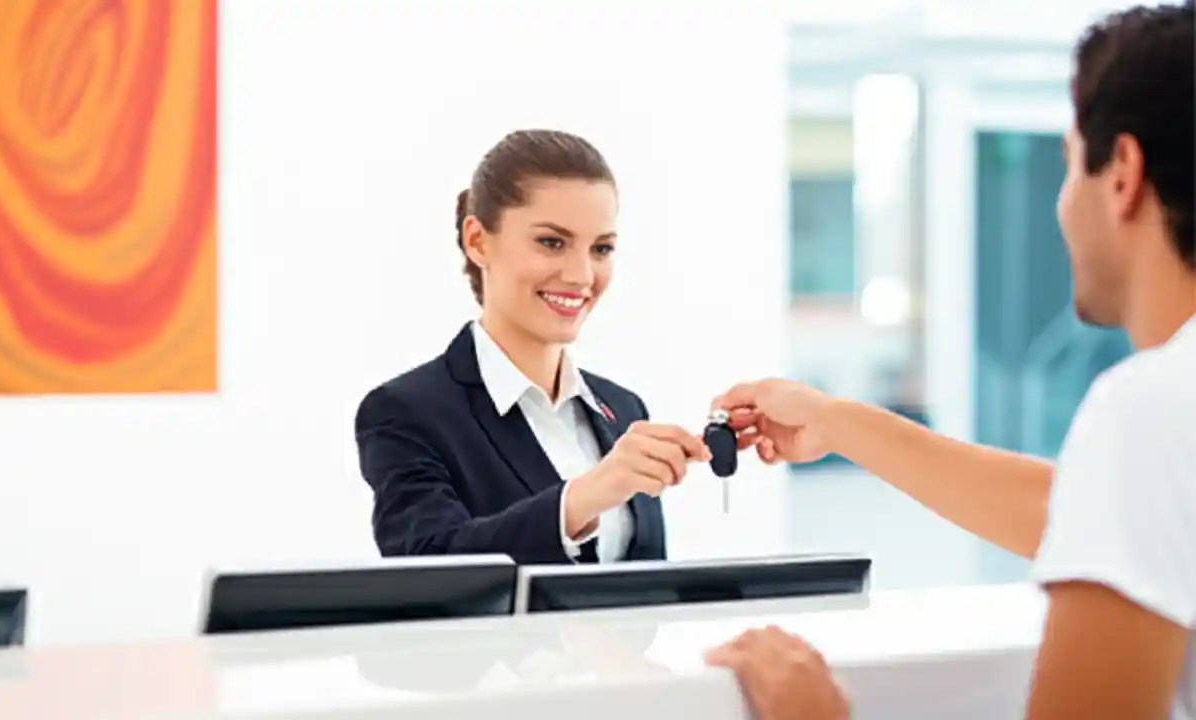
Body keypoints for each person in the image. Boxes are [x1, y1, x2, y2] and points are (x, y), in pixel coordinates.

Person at [705, 2, 1195, 718]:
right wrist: (835, 421)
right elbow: (1093, 511)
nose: (1062, 205)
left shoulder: (1150, 408)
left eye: (1066, 167)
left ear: (1121, 172)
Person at [355, 130, 709, 565]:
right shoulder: (407, 411)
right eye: (552, 242)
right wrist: (582, 499)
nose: (581, 275)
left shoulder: (624, 410)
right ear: (478, 240)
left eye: (601, 248)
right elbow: (428, 562)